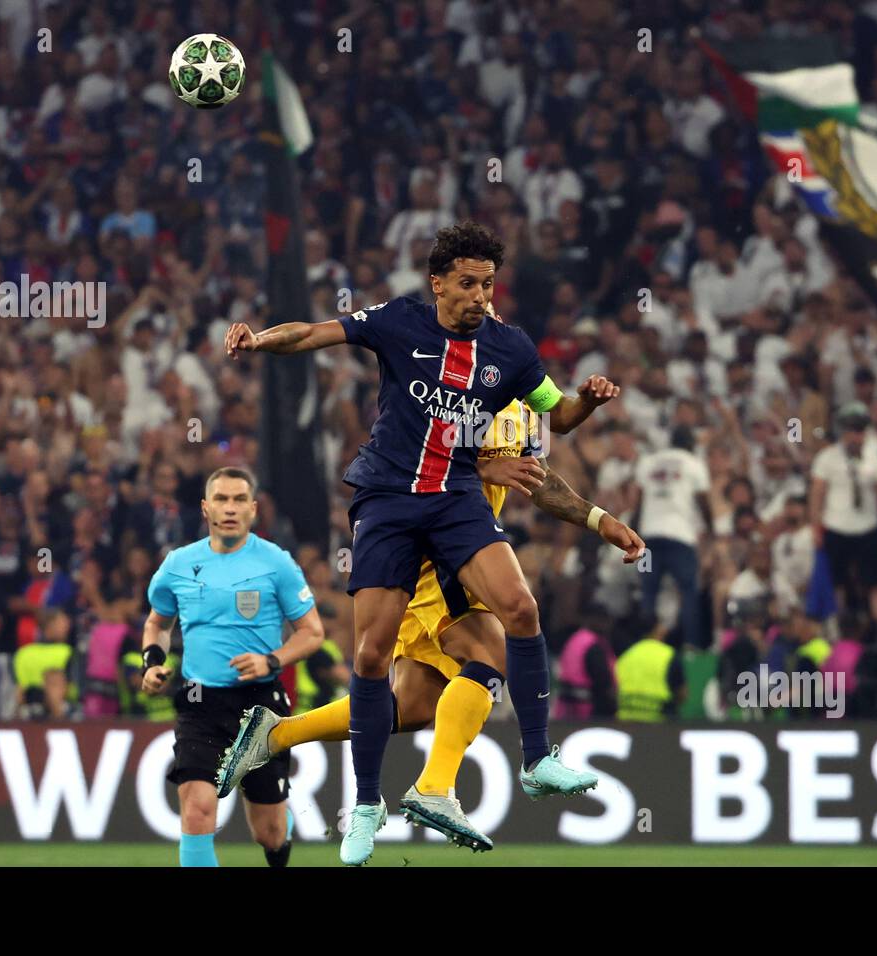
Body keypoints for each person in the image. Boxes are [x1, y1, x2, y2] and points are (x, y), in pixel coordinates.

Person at [224, 220, 620, 864]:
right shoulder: (399, 322)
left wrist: (591, 400)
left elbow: (561, 417)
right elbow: (315, 333)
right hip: (388, 499)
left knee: (519, 613)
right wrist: (258, 341)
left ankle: (536, 758)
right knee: (377, 661)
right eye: (467, 283)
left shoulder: (511, 351)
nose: (480, 296)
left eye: (489, 284)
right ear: (437, 283)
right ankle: (369, 805)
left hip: (456, 503)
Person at [216, 397, 644, 852]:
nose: (488, 322)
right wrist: (482, 472)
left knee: (415, 704)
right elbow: (412, 463)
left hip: (460, 551)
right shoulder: (447, 386)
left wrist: (600, 520)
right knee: (493, 652)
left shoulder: (515, 399)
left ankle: (277, 733)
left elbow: (536, 478)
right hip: (435, 545)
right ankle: (436, 786)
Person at [140, 466, 325, 868]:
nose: (230, 508)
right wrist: (153, 661)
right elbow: (157, 622)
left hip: (261, 707)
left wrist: (270, 660)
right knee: (197, 809)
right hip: (199, 701)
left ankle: (280, 833)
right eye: (221, 499)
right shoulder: (178, 564)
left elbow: (312, 633)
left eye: (239, 499)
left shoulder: (276, 563)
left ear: (253, 509)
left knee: (269, 832)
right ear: (206, 508)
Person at [808, 401, 877, 620]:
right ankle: (838, 631)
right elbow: (817, 495)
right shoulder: (827, 458)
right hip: (836, 527)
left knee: (875, 584)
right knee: (837, 583)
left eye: (859, 429)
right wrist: (815, 527)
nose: (855, 435)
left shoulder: (875, 460)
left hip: (869, 527)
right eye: (851, 429)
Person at [634, 425, 713, 648]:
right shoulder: (694, 464)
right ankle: (690, 645)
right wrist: (711, 527)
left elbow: (638, 502)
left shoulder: (650, 462)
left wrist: (634, 534)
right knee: (688, 592)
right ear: (691, 444)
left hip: (649, 536)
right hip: (680, 536)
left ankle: (646, 643)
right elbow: (704, 502)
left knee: (649, 592)